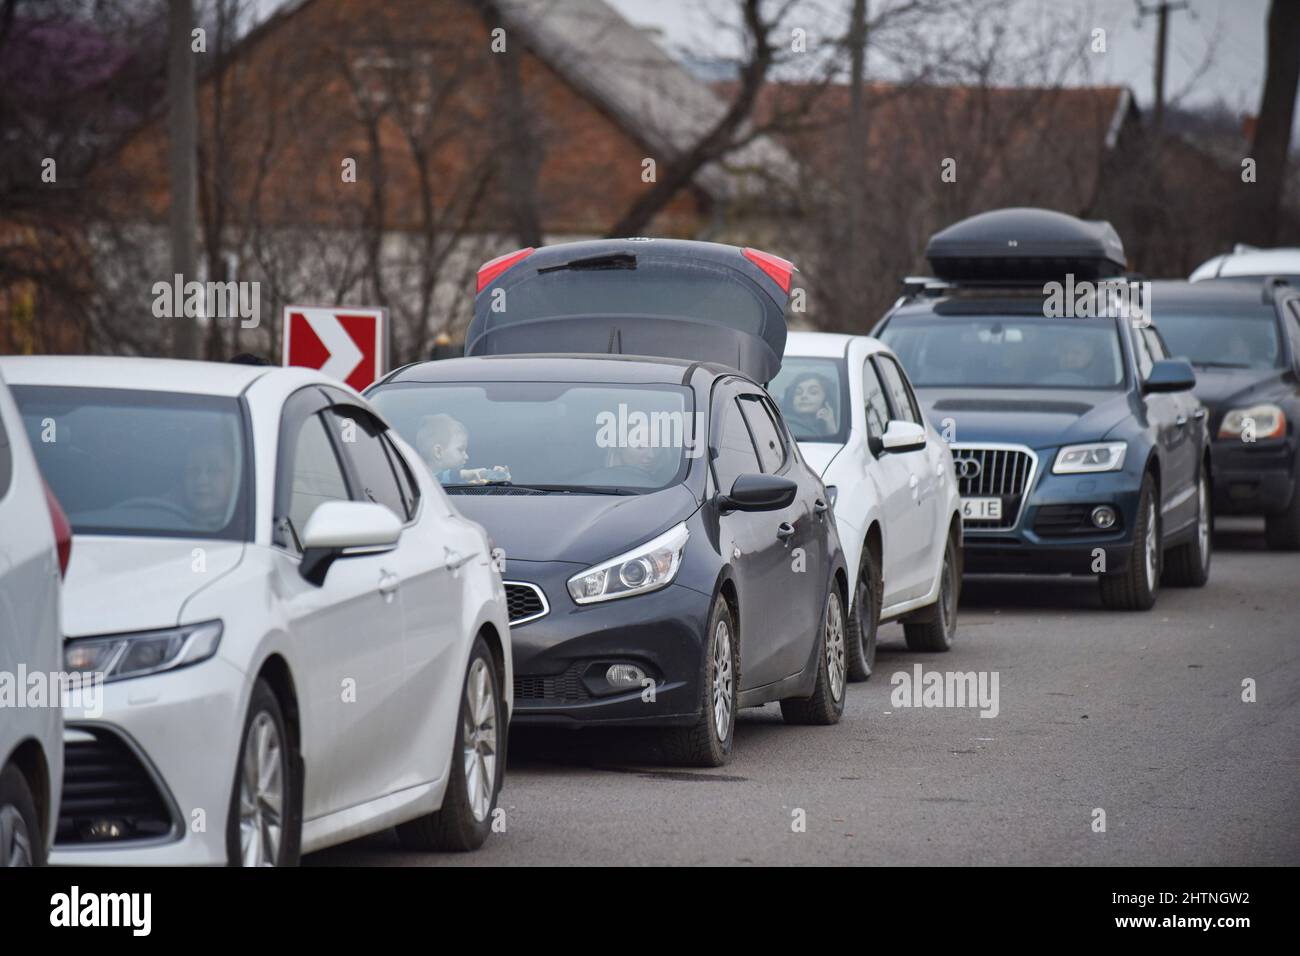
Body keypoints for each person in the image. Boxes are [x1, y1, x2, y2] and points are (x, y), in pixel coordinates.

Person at [416, 413, 510, 484]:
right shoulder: (420, 481)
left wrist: (497, 477)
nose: (466, 456)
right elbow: (437, 479)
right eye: (460, 450)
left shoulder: (461, 485)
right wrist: (465, 474)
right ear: (438, 452)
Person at [181, 438, 237, 530]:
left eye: (214, 470)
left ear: (235, 477)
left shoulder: (250, 527)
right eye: (194, 470)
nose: (202, 480)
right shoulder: (161, 519)